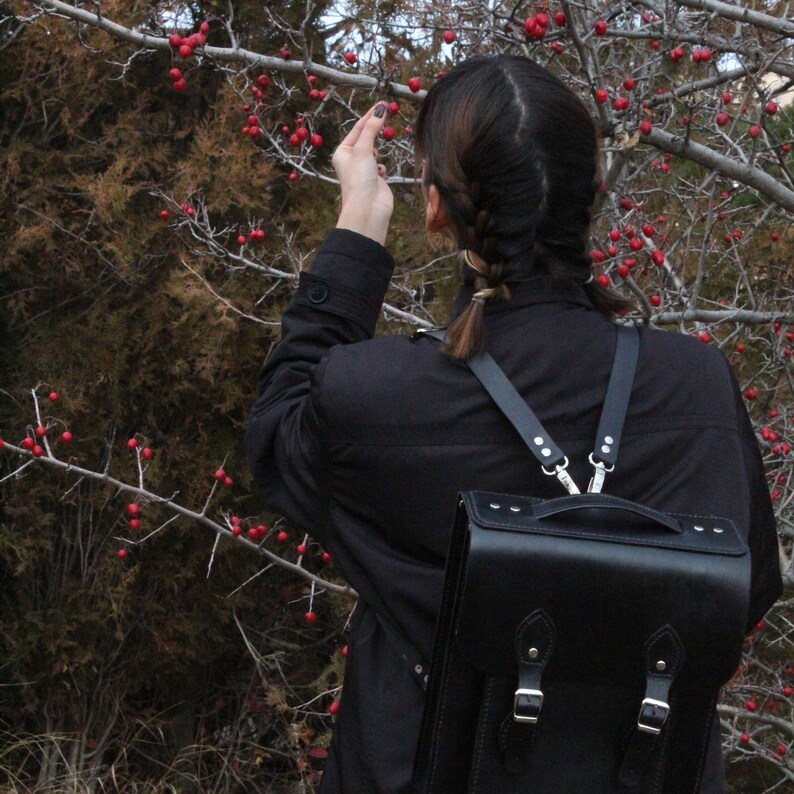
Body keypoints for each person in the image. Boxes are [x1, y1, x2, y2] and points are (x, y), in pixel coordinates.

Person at [244, 55, 781, 793]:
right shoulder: (697, 387)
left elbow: (275, 435)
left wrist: (357, 239)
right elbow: (745, 591)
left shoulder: (376, 395)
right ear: (589, 194)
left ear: (436, 208)